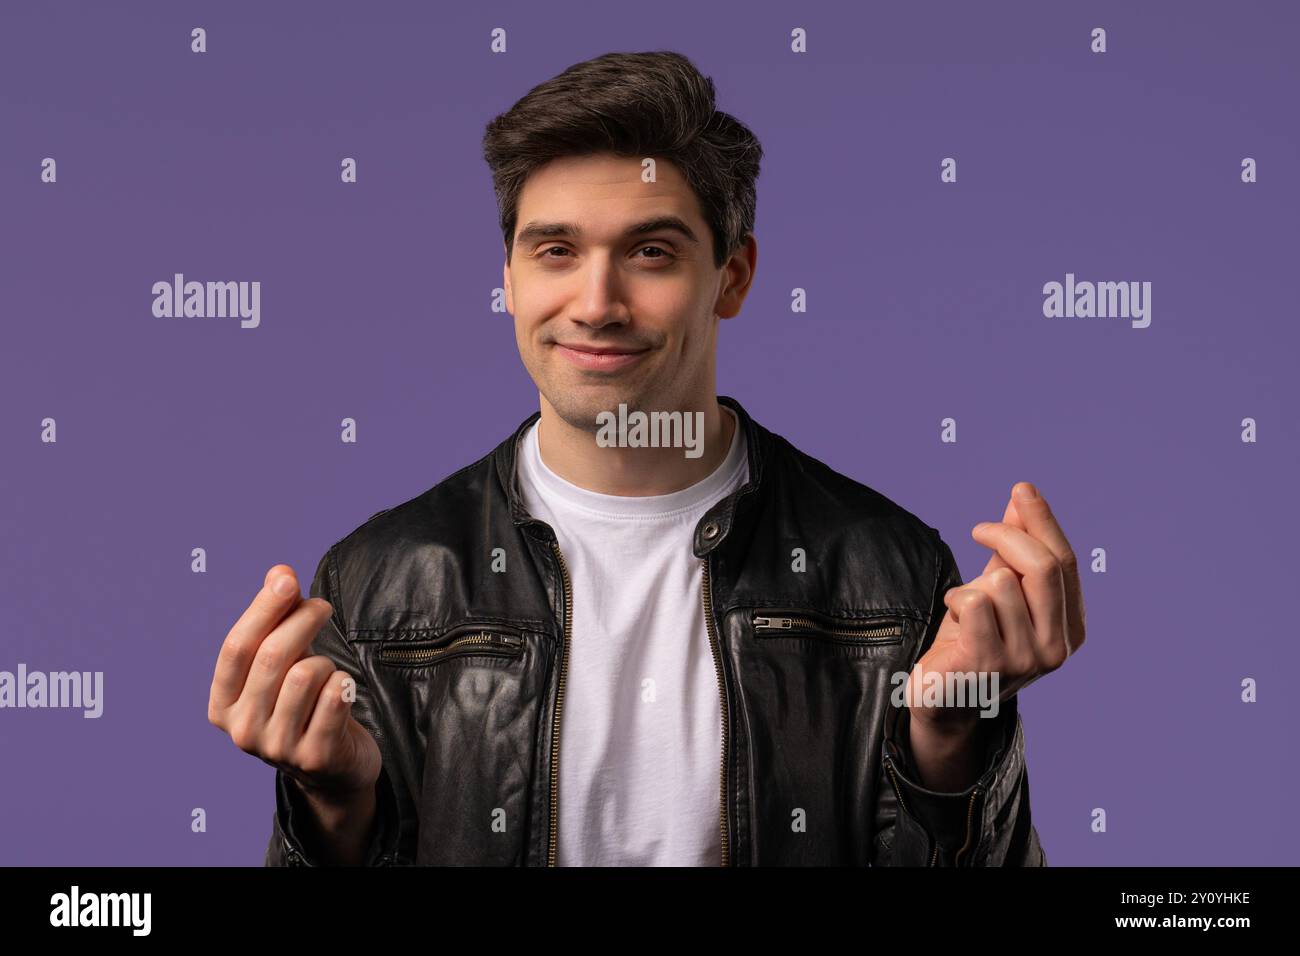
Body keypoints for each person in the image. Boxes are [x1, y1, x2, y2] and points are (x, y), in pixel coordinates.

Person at [207, 50, 1085, 866]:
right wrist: (331, 804)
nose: (597, 304)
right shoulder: (381, 583)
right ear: (509, 280)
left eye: (651, 253)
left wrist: (952, 734)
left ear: (732, 278)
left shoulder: (886, 574)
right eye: (555, 251)